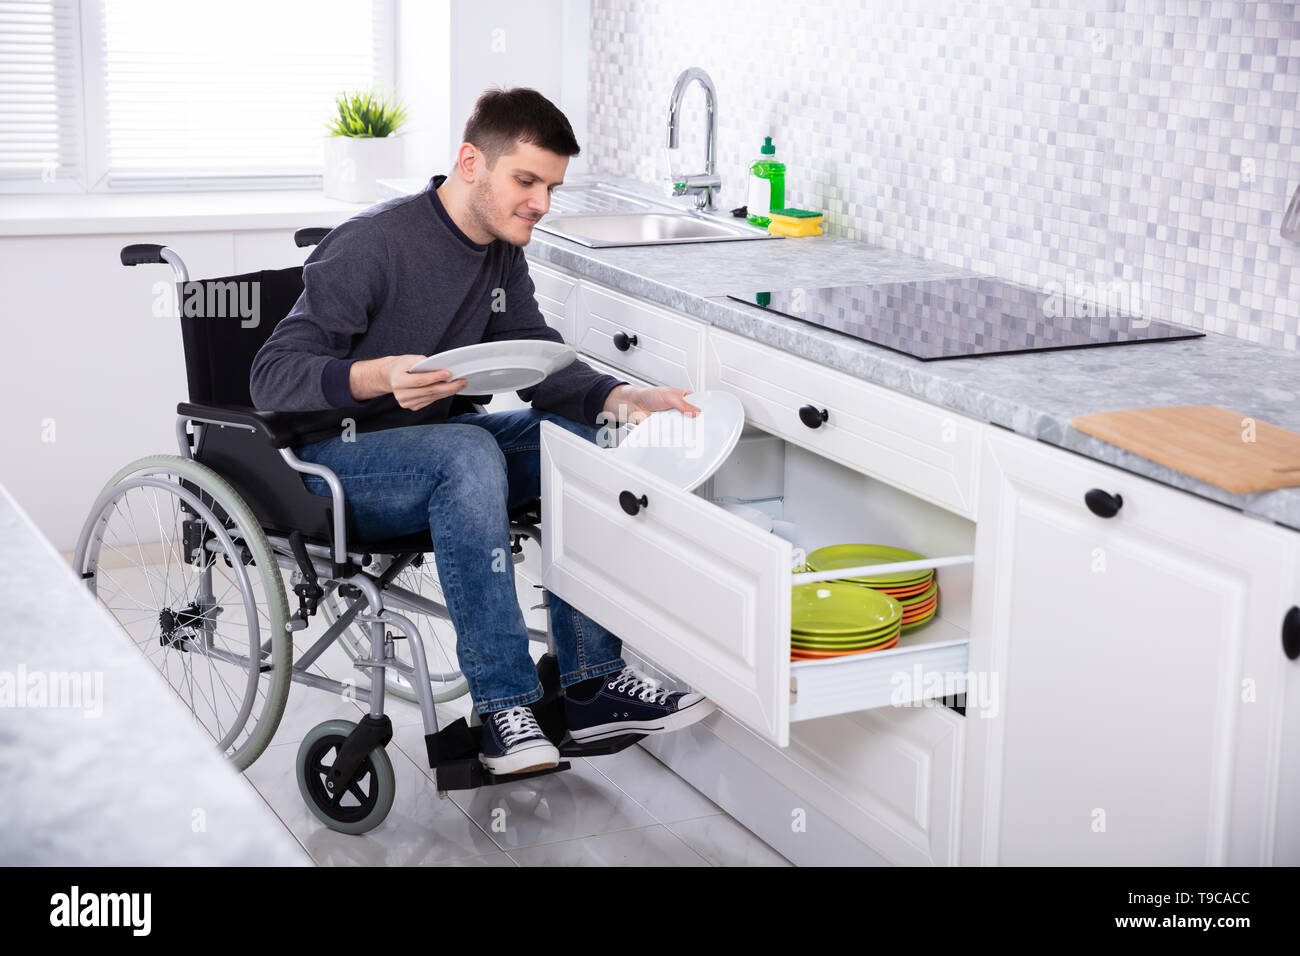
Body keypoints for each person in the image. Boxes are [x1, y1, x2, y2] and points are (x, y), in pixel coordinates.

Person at [249, 87, 716, 776]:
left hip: (436, 450)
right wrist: (378, 378)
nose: (542, 203)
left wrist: (622, 396)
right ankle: (504, 709)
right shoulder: (374, 245)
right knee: (467, 448)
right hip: (335, 462)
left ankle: (589, 685)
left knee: (585, 439)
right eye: (526, 181)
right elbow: (271, 377)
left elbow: (539, 359)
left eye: (551, 187)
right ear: (472, 162)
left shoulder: (498, 251)